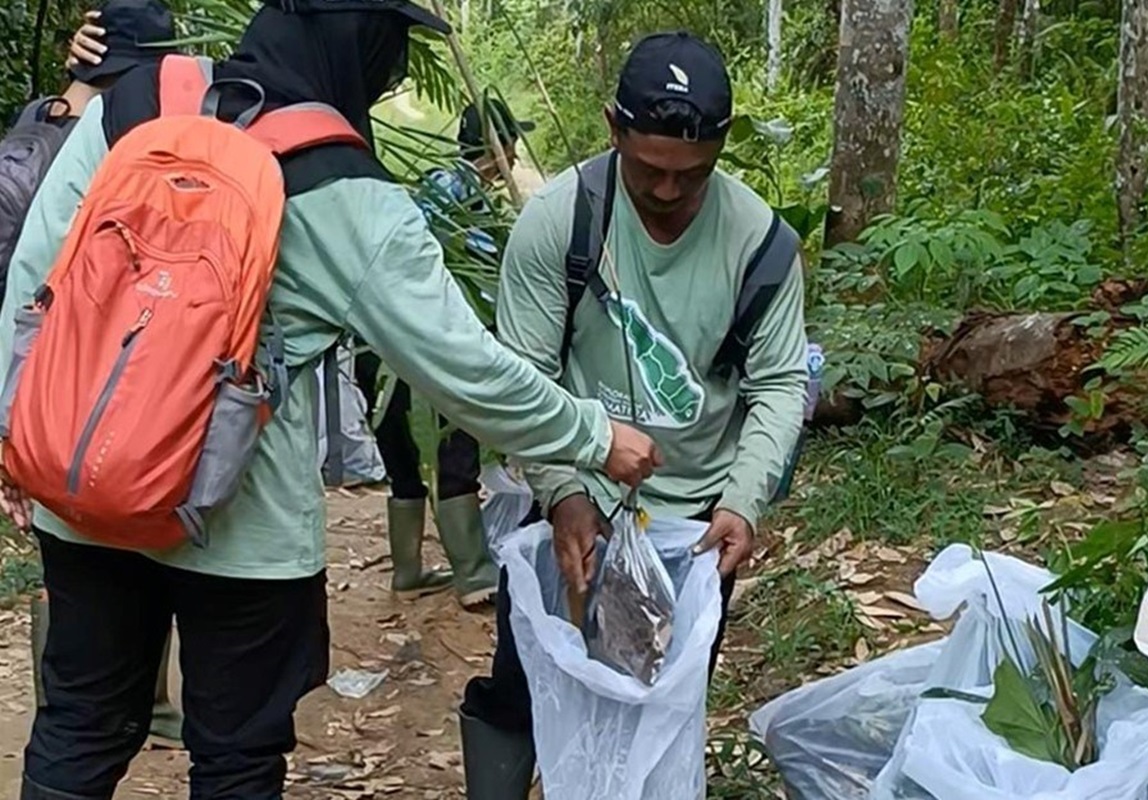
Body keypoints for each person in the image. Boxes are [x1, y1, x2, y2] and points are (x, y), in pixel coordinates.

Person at [0, 5, 659, 799]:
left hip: (87, 487)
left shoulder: (131, 105)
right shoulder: (341, 182)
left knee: (78, 726)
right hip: (240, 535)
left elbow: (34, 285)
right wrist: (593, 436)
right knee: (236, 760)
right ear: (358, 48)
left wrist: (16, 438)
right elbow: (464, 368)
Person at [459, 31, 808, 797]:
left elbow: (781, 383)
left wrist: (743, 502)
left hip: (693, 527)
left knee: (657, 704)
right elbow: (525, 378)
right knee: (523, 686)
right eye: (649, 169)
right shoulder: (561, 222)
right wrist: (564, 494)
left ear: (722, 146)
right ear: (613, 128)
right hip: (575, 494)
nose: (668, 191)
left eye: (693, 174)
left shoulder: (761, 244)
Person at [4, 0, 186, 746]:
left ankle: (74, 702)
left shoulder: (32, 128)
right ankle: (140, 703)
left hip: (31, 365)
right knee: (124, 524)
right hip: (93, 366)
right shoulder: (121, 141)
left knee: (63, 543)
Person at [353, 96, 535, 609]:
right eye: (511, 146)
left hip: (378, 343)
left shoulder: (430, 190)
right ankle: (475, 576)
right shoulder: (461, 199)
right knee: (453, 453)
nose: (515, 158)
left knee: (403, 462)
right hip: (422, 348)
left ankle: (408, 571)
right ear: (499, 148)